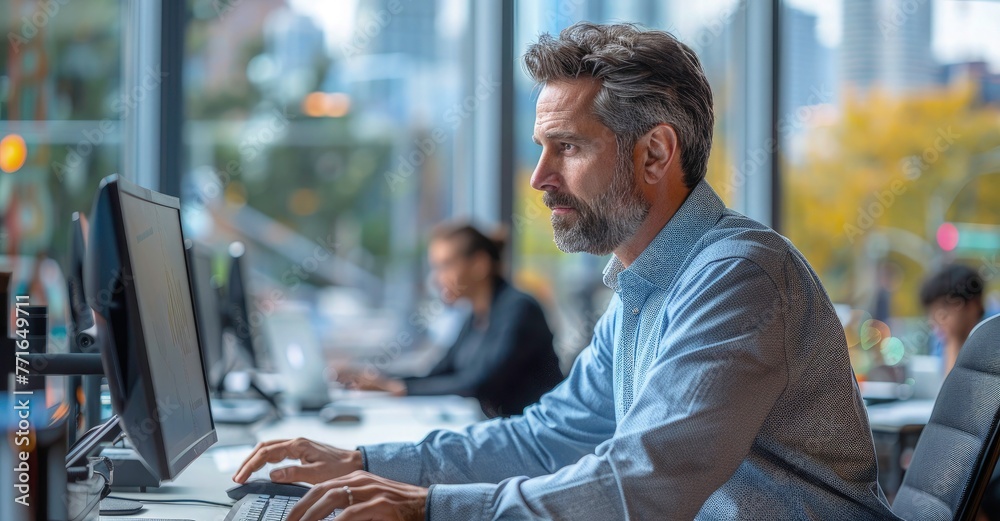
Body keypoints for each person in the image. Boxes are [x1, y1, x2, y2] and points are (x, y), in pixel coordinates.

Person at [234, 23, 900, 520]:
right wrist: (367, 463)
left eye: (569, 147)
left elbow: (643, 482)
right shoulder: (643, 289)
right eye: (540, 149)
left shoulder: (738, 277)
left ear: (656, 152)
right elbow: (546, 436)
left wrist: (427, 506)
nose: (539, 178)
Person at [338, 223, 563, 418]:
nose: (436, 279)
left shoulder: (520, 309)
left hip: (536, 444)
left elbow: (478, 384)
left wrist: (398, 387)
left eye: (445, 265)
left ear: (479, 265)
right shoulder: (476, 315)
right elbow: (440, 373)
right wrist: (378, 378)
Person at [919, 264, 987, 375]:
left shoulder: (993, 338)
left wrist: (953, 343)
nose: (938, 320)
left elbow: (955, 389)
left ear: (972, 306)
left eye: (944, 310)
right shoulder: (940, 343)